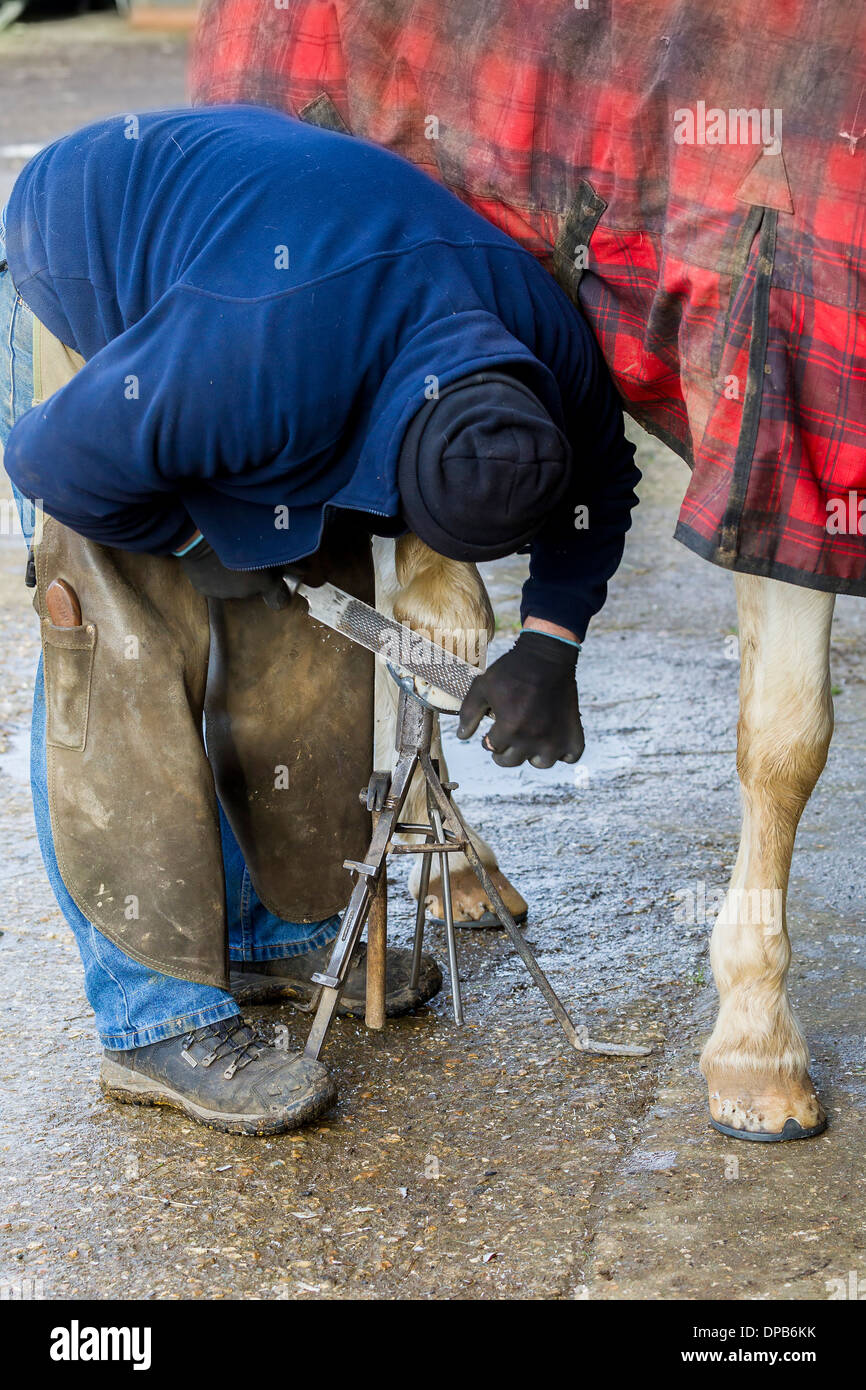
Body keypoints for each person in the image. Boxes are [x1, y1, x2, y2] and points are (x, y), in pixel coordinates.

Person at [0, 106, 639, 1135]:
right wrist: (206, 548)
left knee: (305, 608)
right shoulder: (242, 370)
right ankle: (154, 1018)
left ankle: (261, 932)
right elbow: (56, 466)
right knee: (118, 623)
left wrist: (548, 643)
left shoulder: (537, 339)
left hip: (287, 286)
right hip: (92, 265)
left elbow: (602, 482)